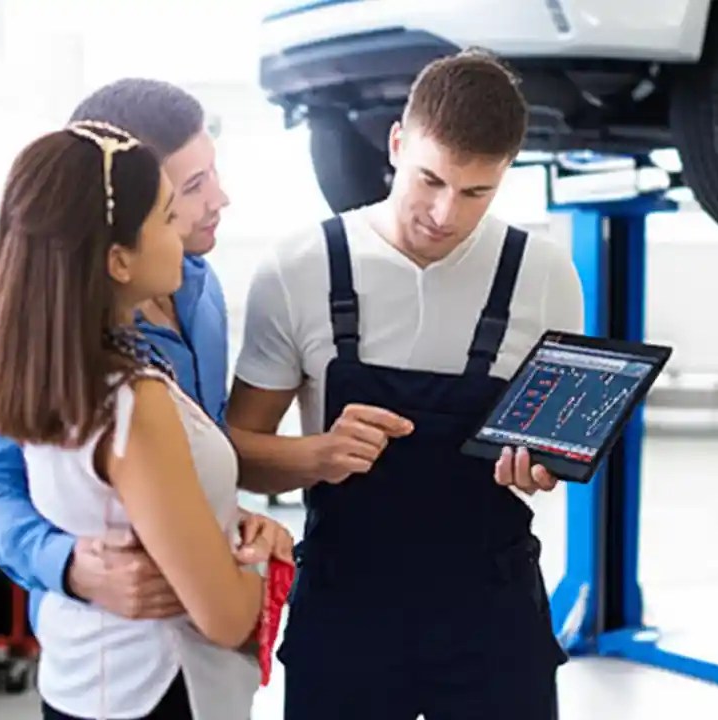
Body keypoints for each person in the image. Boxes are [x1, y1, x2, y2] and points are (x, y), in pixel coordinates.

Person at [226, 49, 584, 719]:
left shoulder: (544, 277)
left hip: (493, 617)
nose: (446, 213)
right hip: (346, 611)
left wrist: (541, 469)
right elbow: (234, 452)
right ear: (396, 144)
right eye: (430, 180)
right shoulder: (299, 267)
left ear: (506, 175)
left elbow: (553, 454)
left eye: (476, 192)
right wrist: (317, 456)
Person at [0, 120, 287, 720]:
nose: (192, 222)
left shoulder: (44, 367)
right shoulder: (131, 402)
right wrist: (269, 565)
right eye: (170, 215)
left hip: (83, 683)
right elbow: (224, 616)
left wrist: (218, 526)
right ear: (119, 259)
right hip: (158, 686)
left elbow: (129, 502)